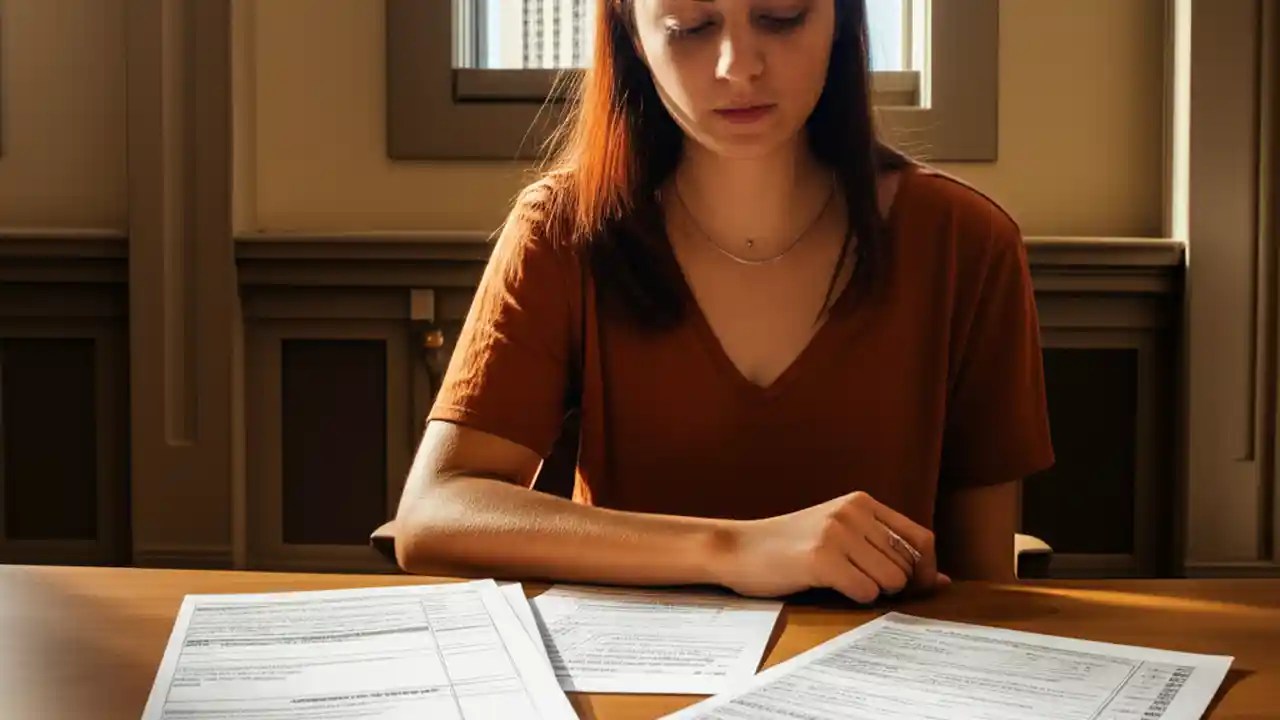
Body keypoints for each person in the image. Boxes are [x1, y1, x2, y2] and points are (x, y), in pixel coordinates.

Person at [393, 0, 1054, 604]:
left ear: (843, 21)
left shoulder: (965, 242)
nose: (739, 66)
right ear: (632, 32)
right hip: (636, 682)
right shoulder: (566, 233)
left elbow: (981, 583)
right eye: (690, 28)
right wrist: (734, 548)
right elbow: (434, 514)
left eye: (782, 16)